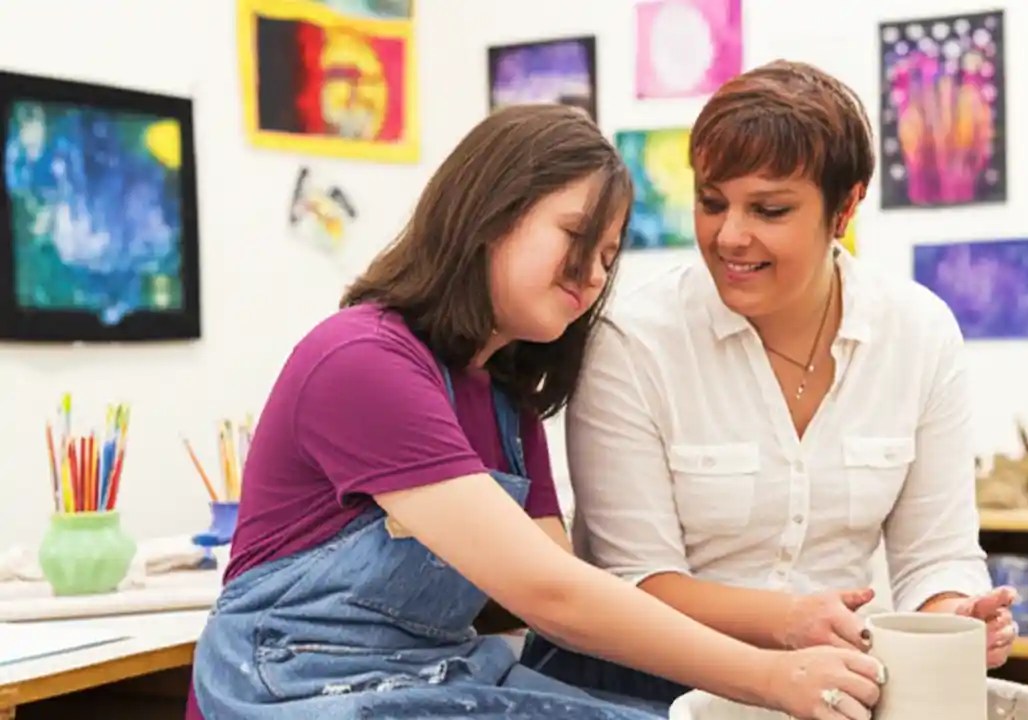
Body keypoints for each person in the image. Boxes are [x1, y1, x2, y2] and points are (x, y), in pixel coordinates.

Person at [187, 104, 886, 720]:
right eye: (576, 238)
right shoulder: (361, 360)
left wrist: (781, 635)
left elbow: (575, 597)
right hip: (295, 684)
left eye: (609, 256)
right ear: (489, 215)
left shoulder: (503, 393)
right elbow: (550, 594)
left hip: (430, 675)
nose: (593, 274)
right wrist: (770, 676)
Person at [520, 61, 1019, 707]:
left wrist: (955, 613)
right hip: (641, 689)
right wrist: (783, 621)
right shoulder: (633, 339)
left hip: (830, 689)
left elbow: (935, 551)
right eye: (711, 202)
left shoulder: (919, 333)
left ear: (846, 207)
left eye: (770, 209)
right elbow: (634, 579)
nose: (730, 235)